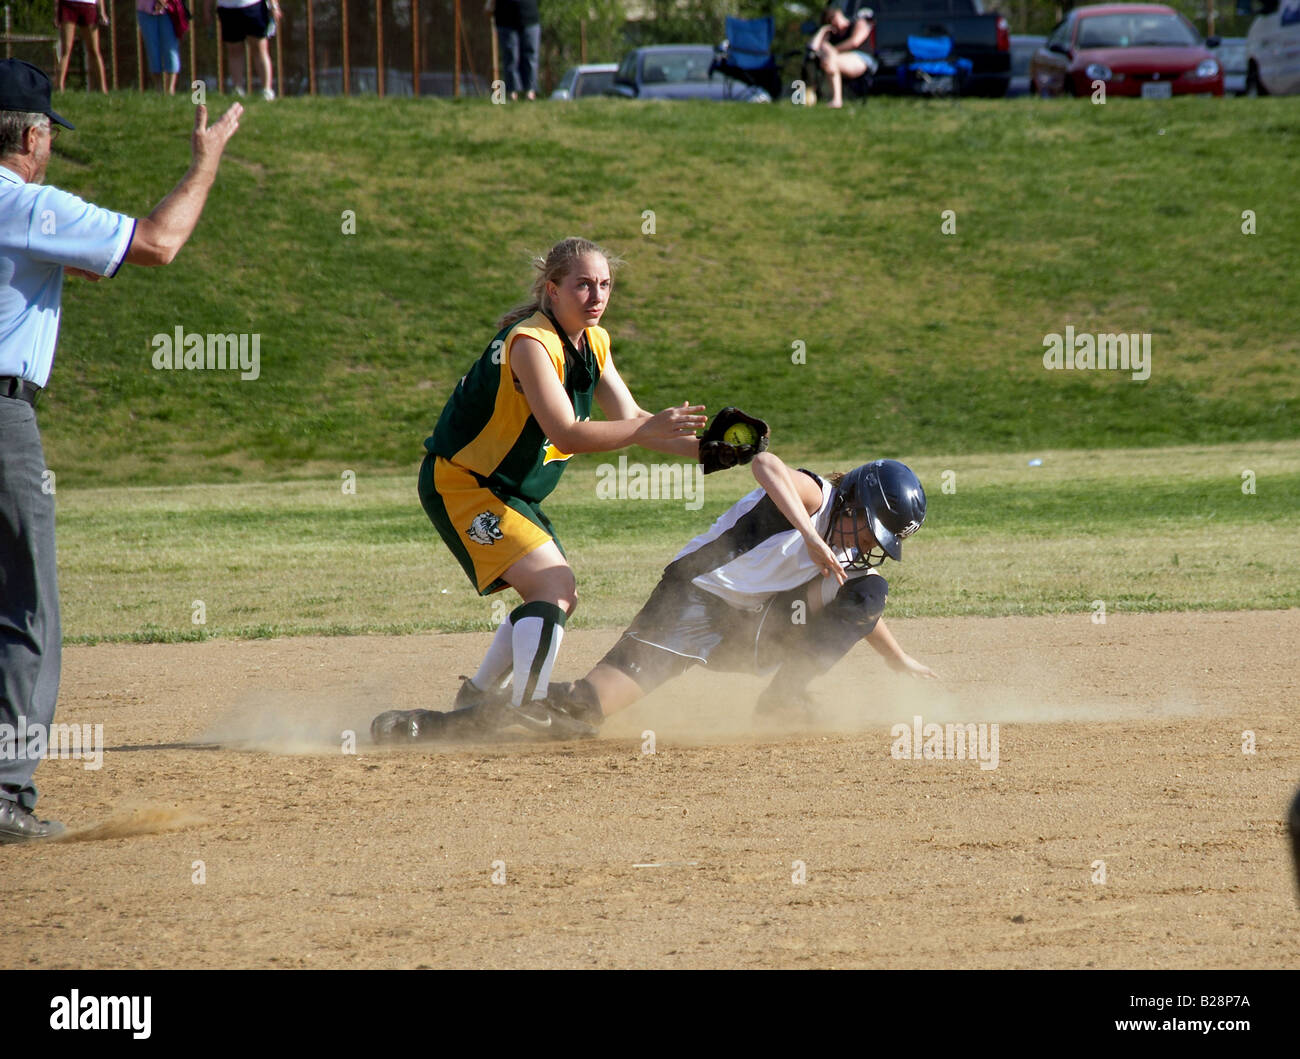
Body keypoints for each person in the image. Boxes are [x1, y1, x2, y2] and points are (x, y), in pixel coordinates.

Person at [0, 59, 242, 843]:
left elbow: (84, 265)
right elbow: (159, 244)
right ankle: (4, 792)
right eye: (47, 136)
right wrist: (204, 163)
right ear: (32, 135)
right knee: (25, 608)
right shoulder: (24, 203)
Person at [371, 237, 708, 743]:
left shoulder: (593, 343)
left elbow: (634, 419)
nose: (596, 296)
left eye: (605, 285)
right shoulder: (530, 342)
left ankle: (480, 698)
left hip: (506, 491)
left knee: (555, 597)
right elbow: (567, 432)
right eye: (583, 285)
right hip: (463, 483)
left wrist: (715, 453)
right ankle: (524, 708)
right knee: (554, 587)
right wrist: (644, 431)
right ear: (552, 289)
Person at [374, 452, 935, 743]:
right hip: (691, 603)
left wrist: (898, 658)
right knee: (573, 717)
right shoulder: (816, 497)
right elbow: (765, 465)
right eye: (869, 530)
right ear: (855, 500)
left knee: (869, 590)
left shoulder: (848, 552)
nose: (867, 544)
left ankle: (783, 698)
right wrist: (810, 536)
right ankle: (439, 725)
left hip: (751, 628)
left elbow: (856, 607)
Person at [207, 0, 278, 100]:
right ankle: (237, 89)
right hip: (227, 9)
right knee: (234, 50)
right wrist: (207, 10)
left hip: (253, 5)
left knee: (259, 49)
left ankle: (266, 90)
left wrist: (273, 5)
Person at [809, 3, 877, 108]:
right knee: (828, 60)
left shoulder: (858, 23)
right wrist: (822, 31)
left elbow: (855, 42)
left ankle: (836, 100)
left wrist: (834, 50)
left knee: (830, 60)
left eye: (833, 17)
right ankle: (835, 99)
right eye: (828, 21)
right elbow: (812, 48)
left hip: (861, 59)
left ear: (839, 13)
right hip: (835, 62)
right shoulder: (831, 34)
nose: (833, 22)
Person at [486, 0, 541, 101]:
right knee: (510, 57)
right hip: (505, 19)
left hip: (530, 17)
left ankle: (530, 91)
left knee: (530, 56)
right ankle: (512, 92)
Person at [55, 0, 111, 94]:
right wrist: (56, 13)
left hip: (88, 6)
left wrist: (102, 12)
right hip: (68, 5)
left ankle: (103, 89)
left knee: (94, 50)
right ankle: (59, 88)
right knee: (66, 50)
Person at [138, 0, 181, 96]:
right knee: (152, 50)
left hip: (169, 10)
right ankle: (158, 88)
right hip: (145, 10)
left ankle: (170, 89)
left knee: (171, 49)